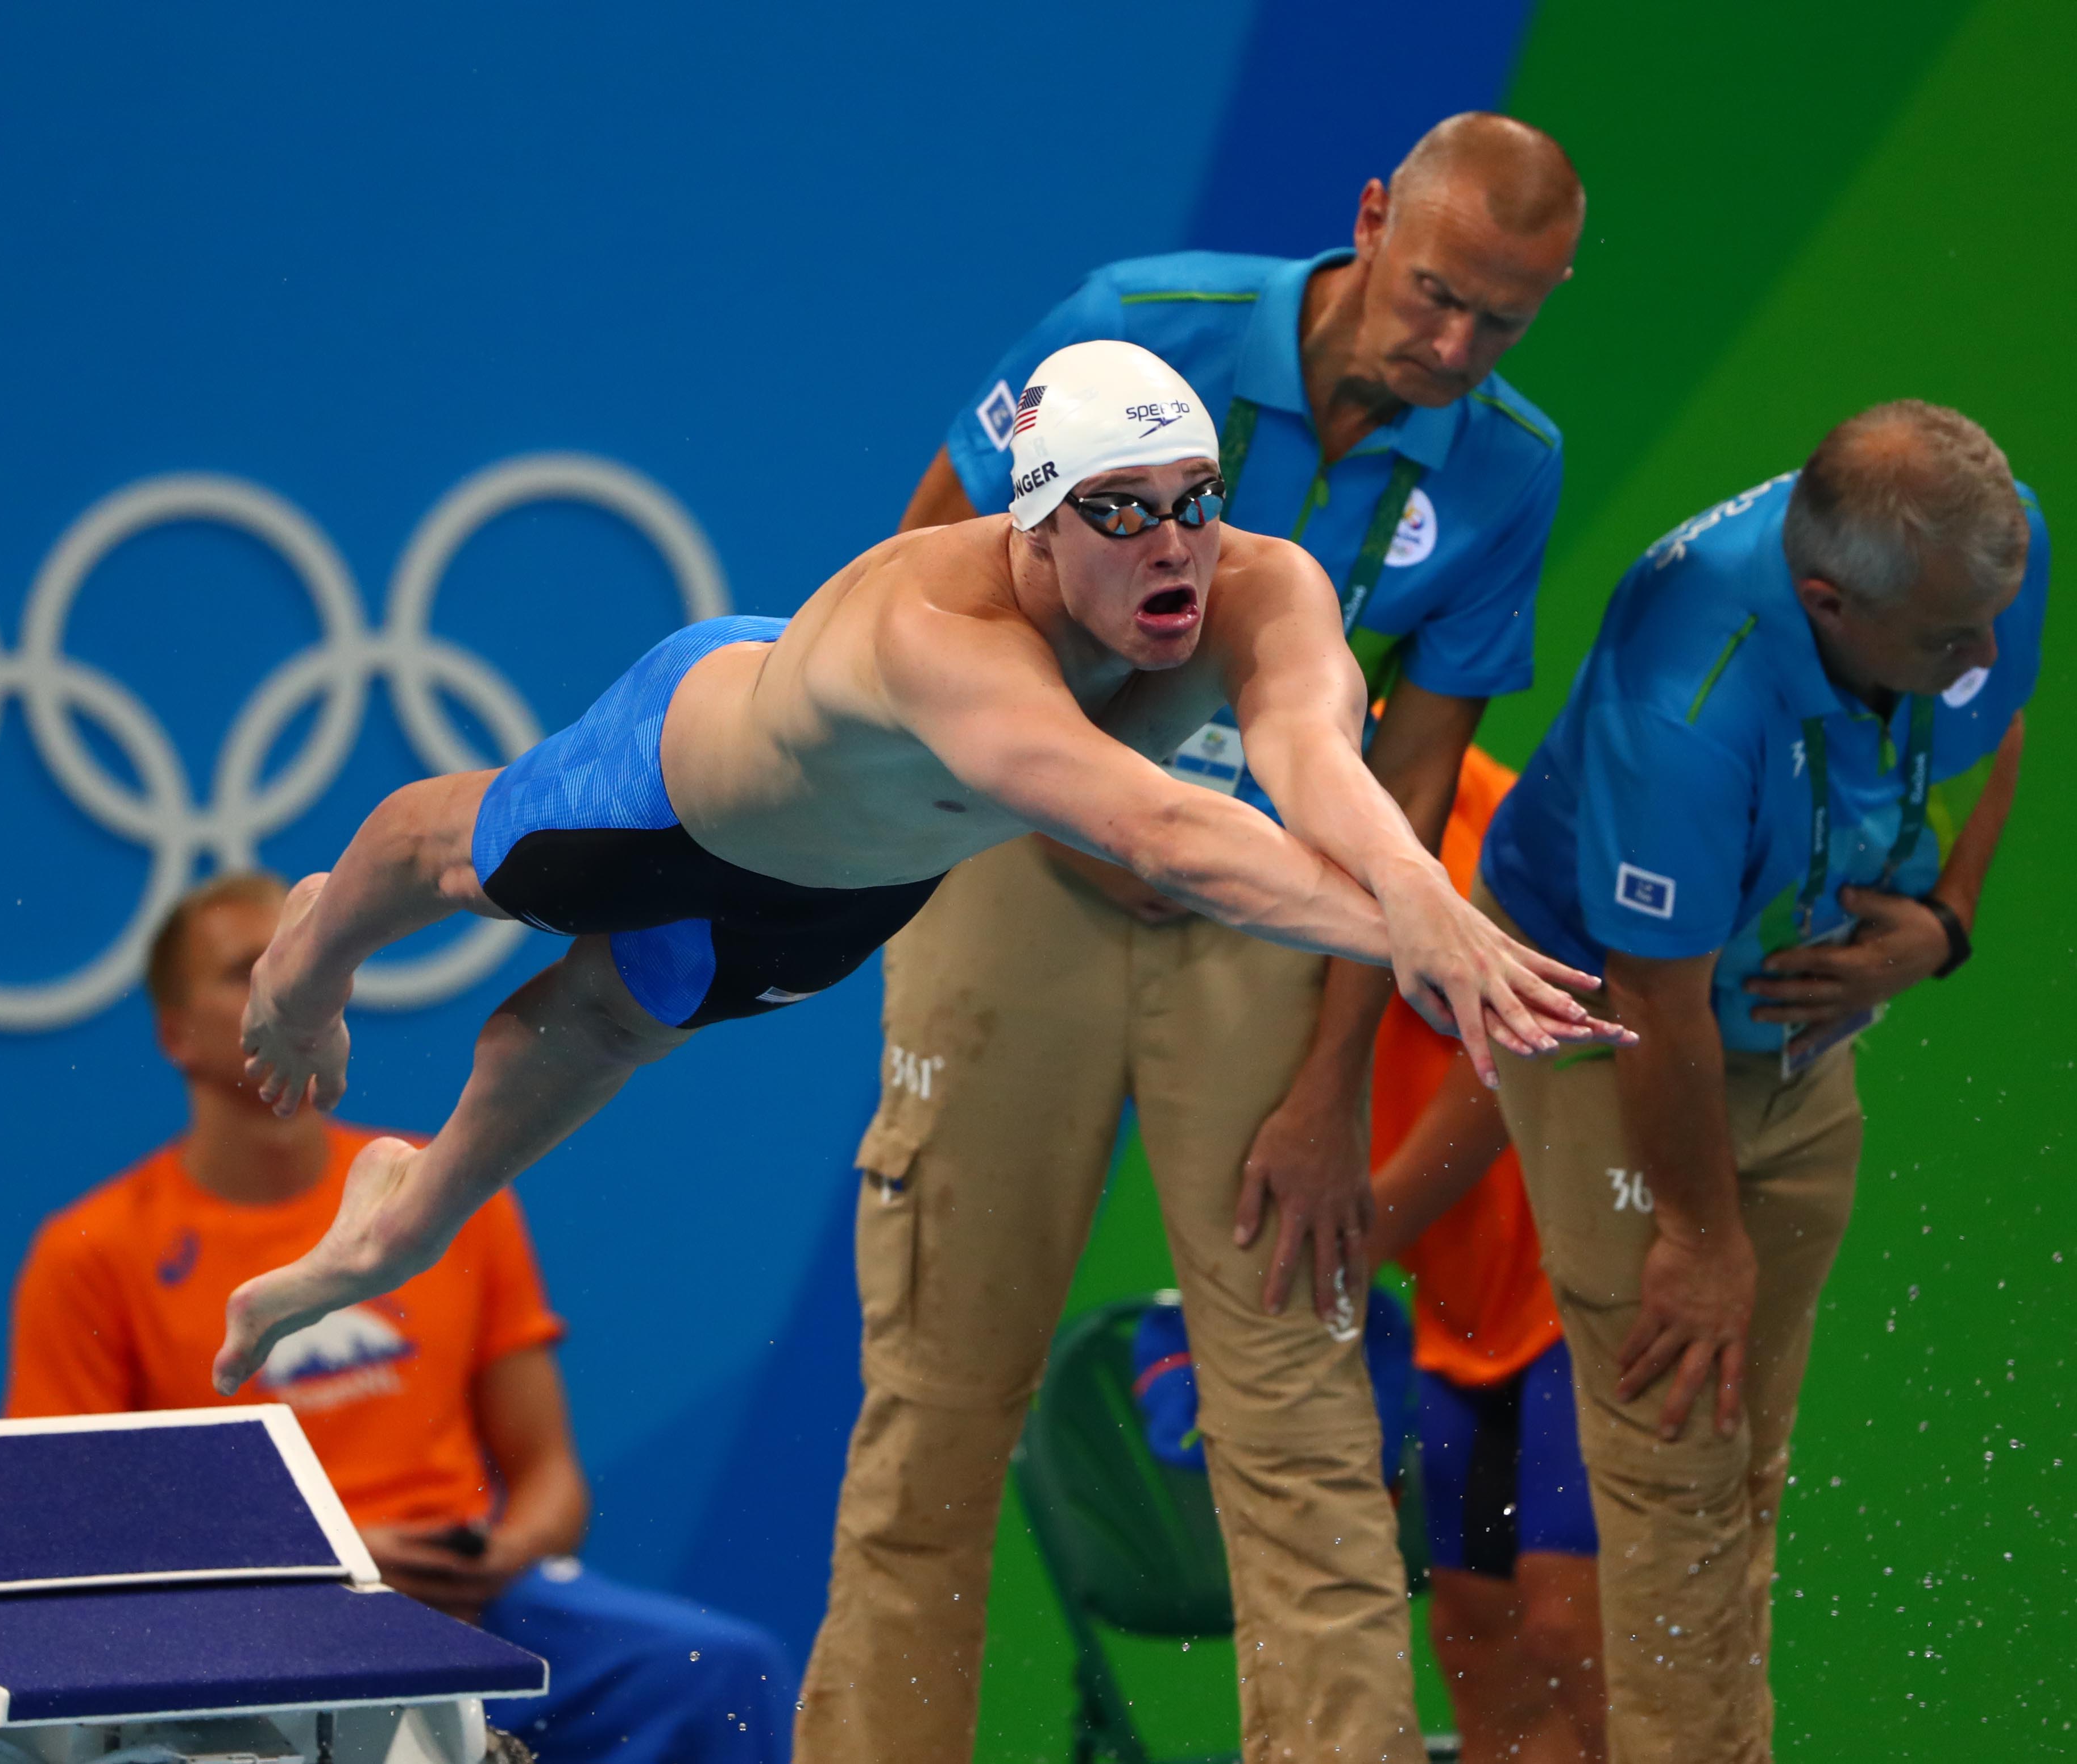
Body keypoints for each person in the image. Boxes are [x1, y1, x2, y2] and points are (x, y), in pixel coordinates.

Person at [212, 335, 1624, 1400]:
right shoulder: (946, 638)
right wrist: (1414, 936)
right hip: (686, 782)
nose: (1177, 544)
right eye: (1123, 512)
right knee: (474, 856)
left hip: (856, 881)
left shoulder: (1263, 585)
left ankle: (391, 1232)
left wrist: (1429, 904)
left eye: (1197, 499)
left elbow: (1322, 767)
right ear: (1039, 522)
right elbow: (1172, 835)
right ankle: (309, 951)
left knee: (594, 1026)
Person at [796, 113, 1588, 1763]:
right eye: (1431, 292)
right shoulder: (1131, 322)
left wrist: (1328, 1088)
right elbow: (913, 570)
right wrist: (980, 805)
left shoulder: (1507, 466)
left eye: (1498, 321)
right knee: (935, 1410)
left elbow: (1413, 776)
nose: (1449, 346)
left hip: (1263, 928)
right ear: (1370, 216)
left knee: (1299, 1423)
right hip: (1019, 873)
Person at [1476, 400, 2044, 1762]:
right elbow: (1653, 996)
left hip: (1796, 1014)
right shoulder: (1682, 703)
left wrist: (1946, 926)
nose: (1980, 656)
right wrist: (1695, 1231)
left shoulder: (1981, 563)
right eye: (1944, 642)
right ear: (1827, 603)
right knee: (1677, 1468)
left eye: (1991, 622)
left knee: (1746, 1466)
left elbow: (1998, 714)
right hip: (1609, 1019)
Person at [5, 872, 795, 1764]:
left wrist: (500, 1554)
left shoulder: (444, 1186)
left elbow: (549, 1481)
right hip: (260, 1623)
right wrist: (324, 1562)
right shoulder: (92, 1252)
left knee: (719, 1670)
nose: (282, 977)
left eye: (301, 952)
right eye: (243, 968)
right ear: (174, 1031)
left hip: (482, 1610)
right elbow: (66, 1536)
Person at [1364, 744, 1605, 1764]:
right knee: (1470, 1622)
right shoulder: (1231, 799)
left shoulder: (1475, 806)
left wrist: (1356, 1236)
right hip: (1452, 1311)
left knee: (1573, 1623)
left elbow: (1518, 1053)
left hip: (1570, 1289)